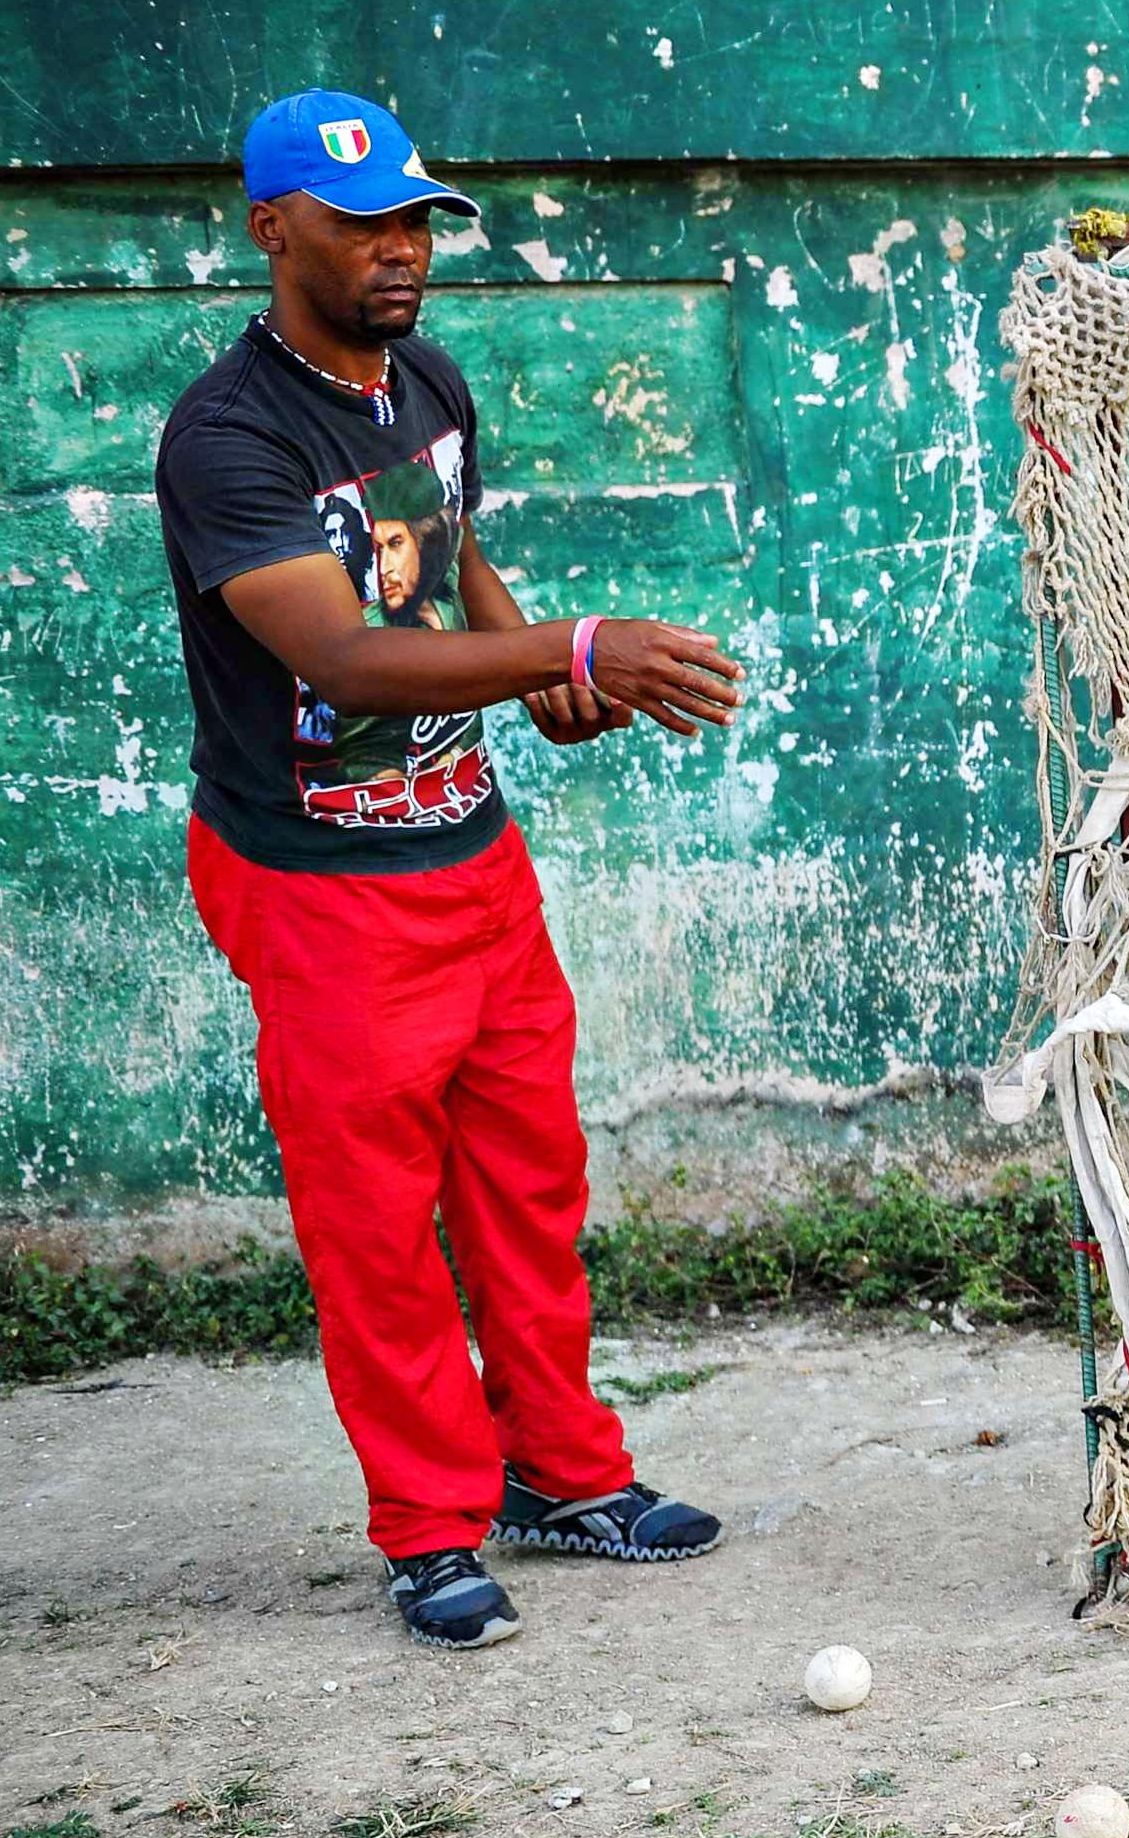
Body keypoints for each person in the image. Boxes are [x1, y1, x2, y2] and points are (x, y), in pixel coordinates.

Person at [153, 89, 750, 1649]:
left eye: (415, 219)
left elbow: (442, 548)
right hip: (319, 885)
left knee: (527, 1190)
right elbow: (341, 649)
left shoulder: (425, 375)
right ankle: (430, 1526)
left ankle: (563, 1474)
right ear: (270, 226)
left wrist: (540, 668)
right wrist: (558, 645)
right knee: (377, 1222)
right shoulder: (227, 440)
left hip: (472, 858)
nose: (399, 251)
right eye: (361, 225)